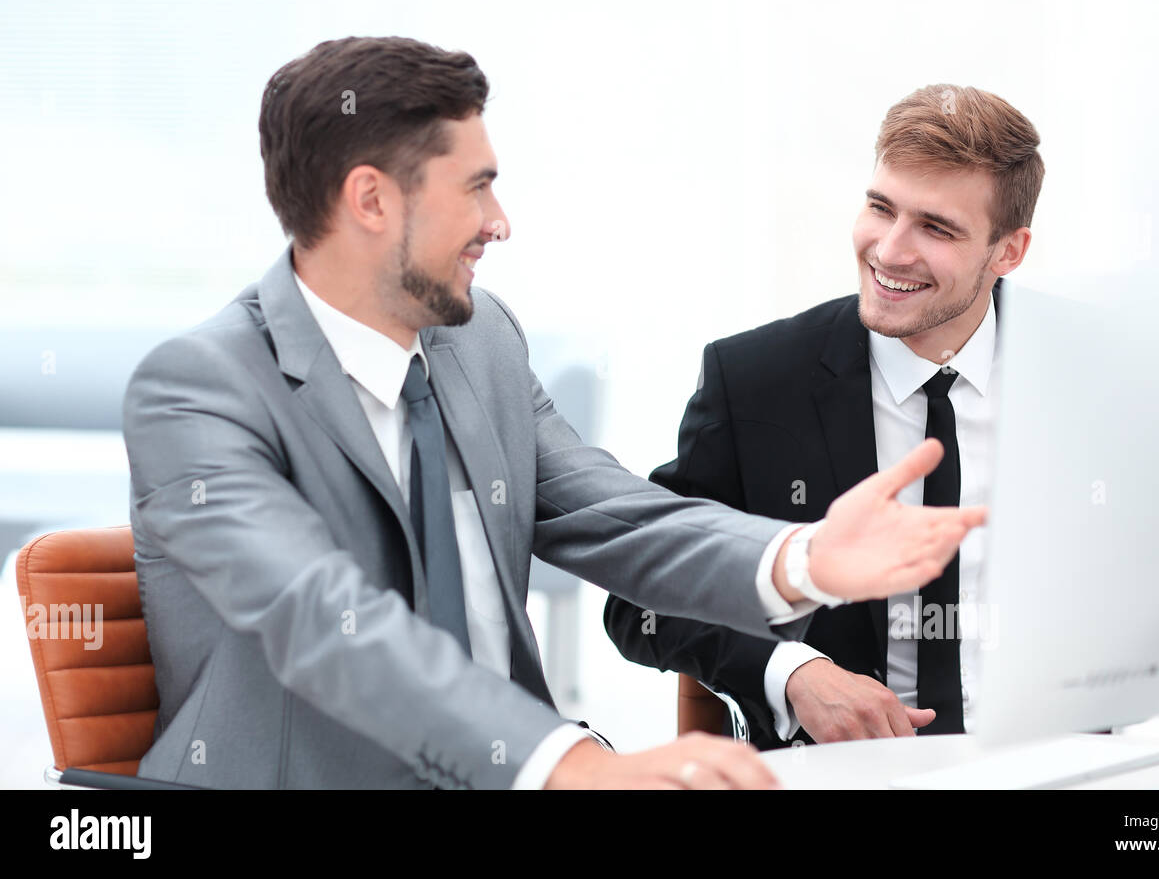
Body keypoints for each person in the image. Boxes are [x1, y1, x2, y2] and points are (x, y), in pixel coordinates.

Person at [121, 38, 985, 790]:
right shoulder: (200, 392)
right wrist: (570, 764)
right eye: (476, 188)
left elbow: (619, 514)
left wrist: (803, 558)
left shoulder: (479, 342)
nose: (498, 223)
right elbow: (325, 621)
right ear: (372, 201)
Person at [605, 84, 1042, 749]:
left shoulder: (1087, 372)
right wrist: (791, 672)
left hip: (1055, 759)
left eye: (935, 227)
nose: (889, 250)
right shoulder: (754, 380)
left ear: (1008, 250)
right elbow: (639, 598)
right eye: (881, 208)